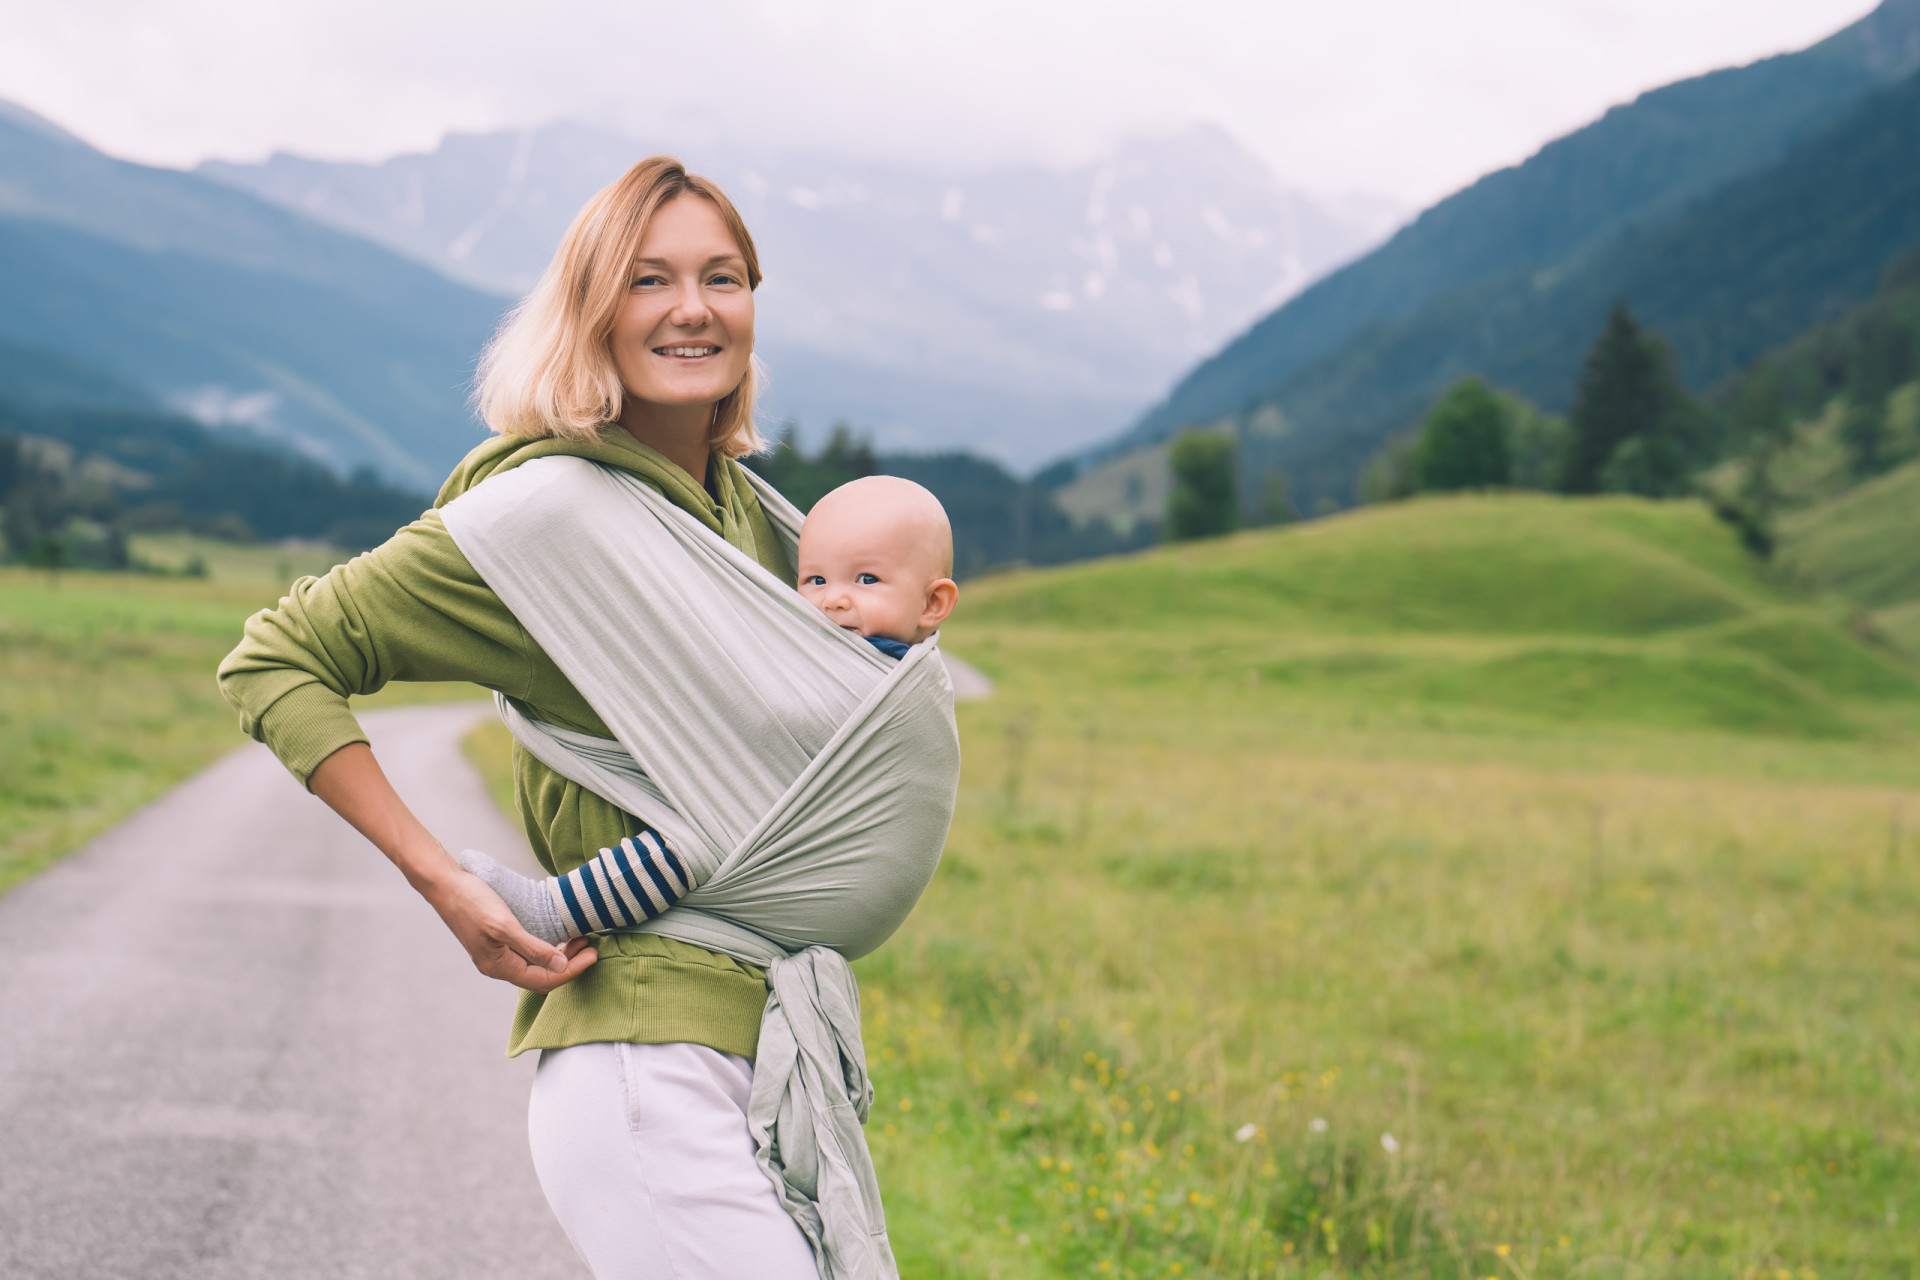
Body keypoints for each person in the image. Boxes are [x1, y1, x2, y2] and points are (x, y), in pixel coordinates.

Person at [217, 157, 872, 1279]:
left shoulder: (764, 524)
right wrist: (441, 876)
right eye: (649, 279)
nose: (694, 307)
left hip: (769, 1054)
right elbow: (276, 658)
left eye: (724, 276)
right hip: (642, 1063)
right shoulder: (541, 518)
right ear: (592, 308)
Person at [458, 473, 959, 946]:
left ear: (932, 604)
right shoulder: (824, 647)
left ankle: (553, 912)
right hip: (794, 835)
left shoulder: (889, 678)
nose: (834, 601)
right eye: (815, 580)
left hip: (826, 858)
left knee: (690, 844)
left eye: (867, 579)